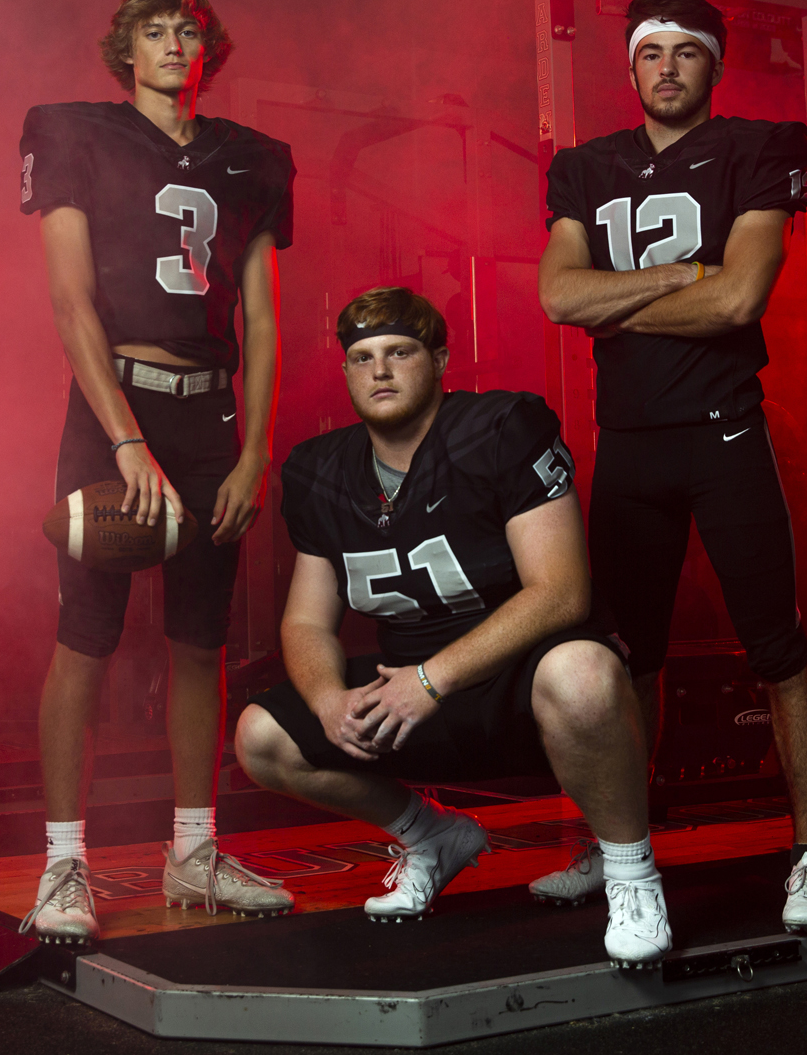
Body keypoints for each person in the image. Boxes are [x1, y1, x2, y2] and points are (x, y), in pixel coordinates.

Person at [234, 288, 671, 969]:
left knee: (583, 671)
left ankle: (632, 876)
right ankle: (431, 836)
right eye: (362, 357)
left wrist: (431, 682)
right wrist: (326, 701)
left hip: (517, 683)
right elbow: (305, 620)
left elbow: (560, 593)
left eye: (399, 352)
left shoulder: (501, 427)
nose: (379, 370)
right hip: (411, 692)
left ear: (439, 359)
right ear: (346, 372)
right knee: (262, 738)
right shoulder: (320, 471)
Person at [533, 0, 807, 935]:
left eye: (686, 52)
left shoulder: (754, 148)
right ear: (631, 68)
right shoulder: (586, 168)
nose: (666, 66)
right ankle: (617, 847)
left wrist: (616, 298)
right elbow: (556, 296)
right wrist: (680, 275)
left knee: (777, 648)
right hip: (628, 445)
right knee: (629, 657)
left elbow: (740, 299)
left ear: (713, 66)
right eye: (650, 52)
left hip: (725, 435)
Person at [18, 0, 296, 945]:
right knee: (86, 636)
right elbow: (70, 302)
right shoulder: (73, 132)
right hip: (114, 411)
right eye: (154, 30)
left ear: (206, 50)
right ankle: (62, 863)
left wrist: (255, 448)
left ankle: (193, 848)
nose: (174, 44)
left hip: (210, 414)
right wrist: (126, 437)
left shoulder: (253, 159)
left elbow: (261, 318)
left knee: (199, 640)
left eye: (188, 31)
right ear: (123, 50)